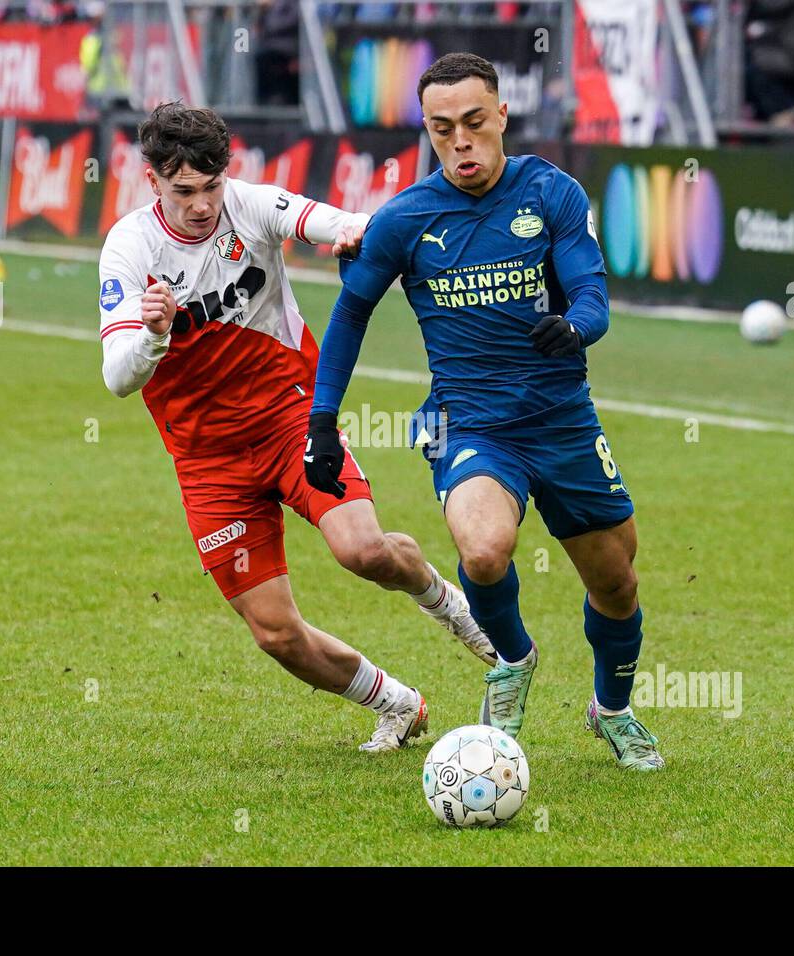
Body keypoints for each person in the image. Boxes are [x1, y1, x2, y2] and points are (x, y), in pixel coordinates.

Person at [303, 53, 664, 771]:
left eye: (473, 123)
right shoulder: (407, 218)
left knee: (616, 582)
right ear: (428, 133)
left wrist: (576, 327)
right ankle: (513, 657)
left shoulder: (551, 193)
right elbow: (350, 315)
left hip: (562, 420)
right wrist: (322, 418)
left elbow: (591, 294)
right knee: (483, 549)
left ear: (501, 115)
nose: (460, 141)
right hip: (467, 422)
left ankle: (612, 708)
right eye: (442, 130)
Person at [97, 103, 495, 753]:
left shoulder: (250, 206)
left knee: (361, 551)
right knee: (276, 633)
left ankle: (451, 606)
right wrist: (152, 333)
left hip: (290, 418)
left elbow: (331, 220)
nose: (202, 205)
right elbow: (117, 376)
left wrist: (352, 236)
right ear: (152, 181)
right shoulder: (130, 248)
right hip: (207, 462)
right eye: (184, 192)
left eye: (211, 186)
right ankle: (397, 703)